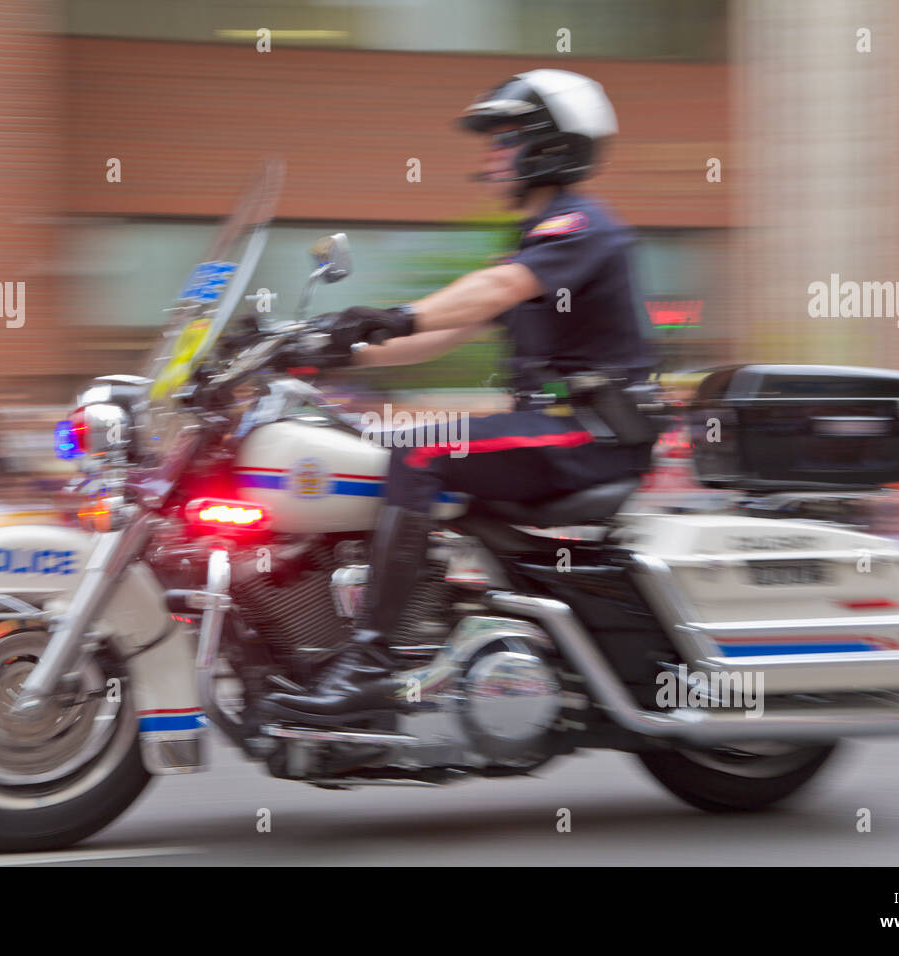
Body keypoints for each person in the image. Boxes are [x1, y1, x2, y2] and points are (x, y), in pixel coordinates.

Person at [264, 69, 657, 725]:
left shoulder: (582, 227)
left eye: (503, 139)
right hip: (554, 427)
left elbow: (490, 293)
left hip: (590, 432)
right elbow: (439, 335)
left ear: (549, 147)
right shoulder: (537, 243)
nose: (489, 157)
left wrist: (394, 313)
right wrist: (318, 350)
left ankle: (372, 659)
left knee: (418, 454)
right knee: (376, 446)